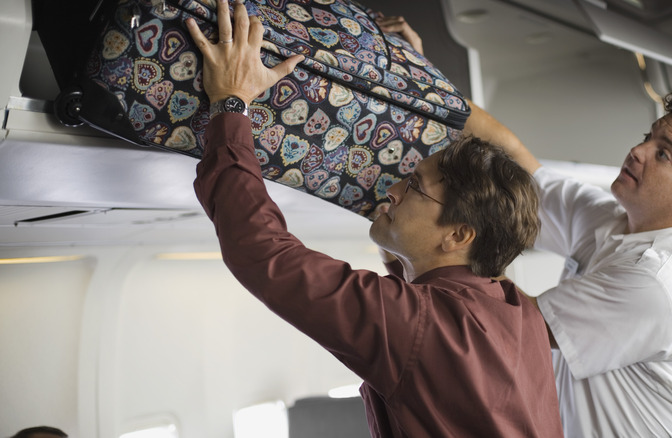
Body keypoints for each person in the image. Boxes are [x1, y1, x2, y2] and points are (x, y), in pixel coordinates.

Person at [185, 1, 564, 437]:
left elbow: (262, 251)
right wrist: (411, 73)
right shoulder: (516, 311)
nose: (393, 190)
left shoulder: (421, 323)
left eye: (414, 187)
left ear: (458, 234)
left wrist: (231, 102)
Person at [464, 90, 672, 437]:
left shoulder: (657, 281)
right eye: (649, 138)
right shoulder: (614, 219)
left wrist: (439, 234)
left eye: (662, 153)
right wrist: (420, 81)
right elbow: (519, 164)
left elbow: (515, 320)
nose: (638, 151)